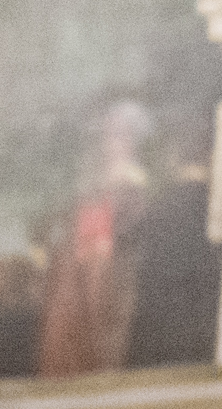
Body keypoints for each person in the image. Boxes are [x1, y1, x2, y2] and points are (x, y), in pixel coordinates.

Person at [39, 99, 153, 378]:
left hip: (104, 314)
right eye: (107, 134)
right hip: (83, 314)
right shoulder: (97, 194)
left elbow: (98, 275)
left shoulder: (126, 194)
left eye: (118, 134)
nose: (109, 143)